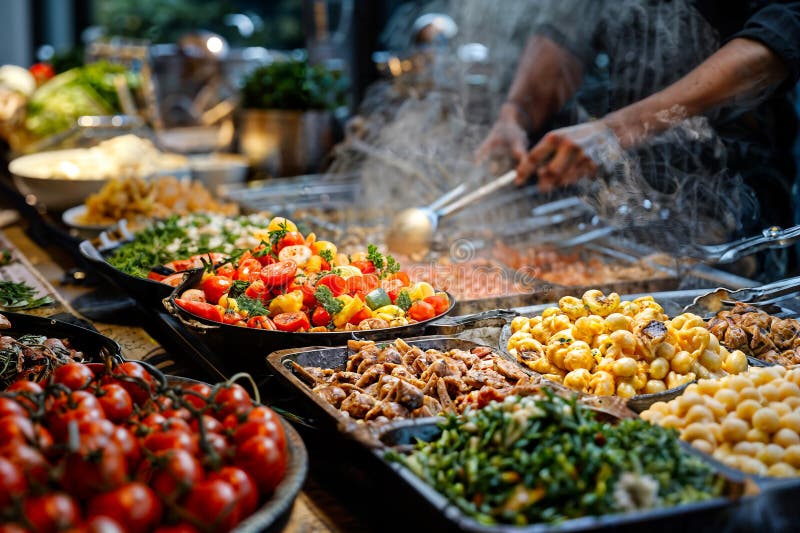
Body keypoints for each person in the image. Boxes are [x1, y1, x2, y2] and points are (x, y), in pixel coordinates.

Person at [477, 1, 800, 245]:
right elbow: (567, 22)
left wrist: (616, 130)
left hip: (735, 182)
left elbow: (779, 36)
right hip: (623, 190)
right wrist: (517, 112)